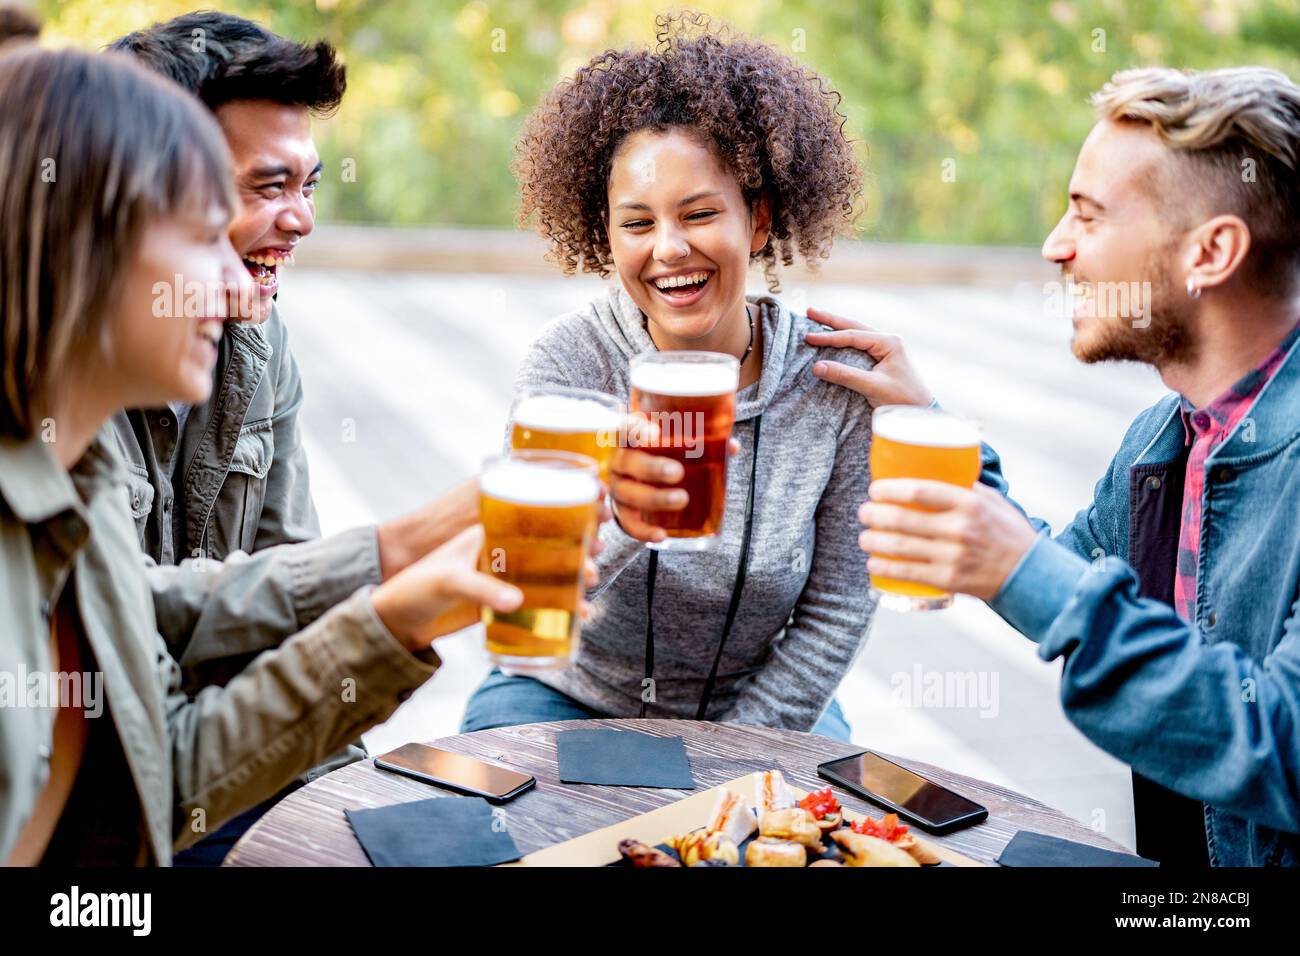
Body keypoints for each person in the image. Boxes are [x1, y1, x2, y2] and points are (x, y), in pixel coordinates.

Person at [0, 46, 527, 865]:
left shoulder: (79, 477)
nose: (238, 286)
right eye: (206, 230)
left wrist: (400, 604)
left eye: (306, 186)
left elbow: (157, 754)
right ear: (86, 244)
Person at [814, 67, 1300, 866]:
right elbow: (1063, 575)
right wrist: (930, 432)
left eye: (1088, 215)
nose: (1054, 246)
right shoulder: (1166, 437)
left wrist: (1022, 571)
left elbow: (1277, 746)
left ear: (1211, 251)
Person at [108, 11, 487, 863]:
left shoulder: (254, 337)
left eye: (309, 185)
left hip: (222, 758)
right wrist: (400, 572)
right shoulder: (51, 390)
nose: (302, 220)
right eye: (267, 186)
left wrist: (351, 803)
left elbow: (294, 598)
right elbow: (131, 630)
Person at [461, 12, 875, 740]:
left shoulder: (834, 377)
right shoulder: (570, 363)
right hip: (568, 690)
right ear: (605, 234)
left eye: (699, 213)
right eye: (638, 223)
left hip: (764, 706)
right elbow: (526, 583)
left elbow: (839, 607)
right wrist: (622, 518)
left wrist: (735, 752)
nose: (670, 249)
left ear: (758, 220)